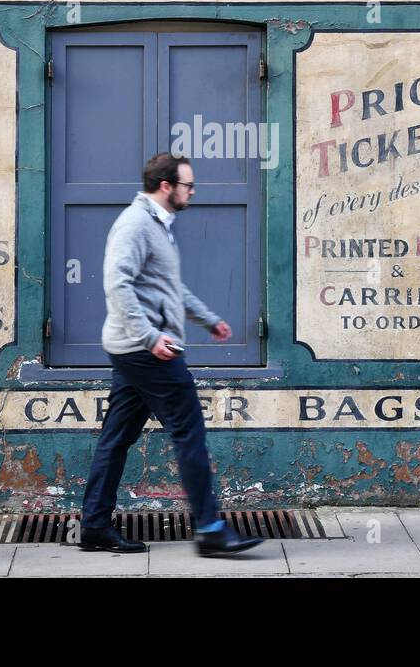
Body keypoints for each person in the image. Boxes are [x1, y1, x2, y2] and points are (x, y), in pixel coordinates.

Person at [79, 152, 264, 557]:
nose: (192, 191)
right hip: (148, 352)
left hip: (134, 349)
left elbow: (169, 288)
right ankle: (212, 529)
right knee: (189, 432)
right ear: (167, 186)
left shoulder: (158, 225)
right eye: (188, 185)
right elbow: (117, 285)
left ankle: (94, 525)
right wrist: (149, 338)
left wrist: (208, 319)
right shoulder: (134, 225)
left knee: (117, 437)